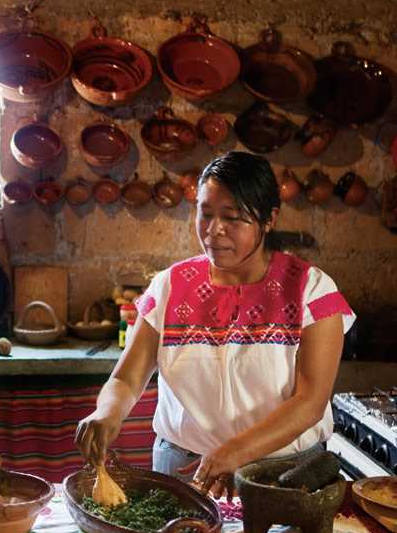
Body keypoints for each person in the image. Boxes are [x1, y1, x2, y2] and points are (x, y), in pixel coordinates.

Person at [75, 152, 354, 499]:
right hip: (182, 472)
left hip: (283, 477)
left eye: (232, 218)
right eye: (205, 214)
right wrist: (107, 412)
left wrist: (236, 452)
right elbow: (126, 378)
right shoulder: (169, 286)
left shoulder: (311, 289)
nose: (214, 230)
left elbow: (310, 402)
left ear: (269, 219)